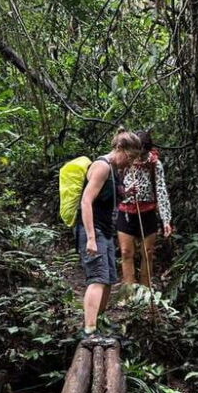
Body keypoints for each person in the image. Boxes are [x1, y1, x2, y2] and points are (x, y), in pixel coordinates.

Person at [77, 130, 142, 337]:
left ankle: (99, 322)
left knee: (108, 278)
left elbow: (107, 198)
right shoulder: (102, 167)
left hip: (105, 231)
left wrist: (127, 194)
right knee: (97, 278)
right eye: (129, 158)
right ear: (120, 149)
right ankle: (88, 329)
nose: (129, 163)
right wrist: (91, 238)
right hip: (92, 230)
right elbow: (86, 201)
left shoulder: (114, 170)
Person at [116, 130, 172, 290]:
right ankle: (129, 292)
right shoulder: (124, 161)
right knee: (126, 252)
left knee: (147, 253)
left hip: (147, 212)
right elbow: (114, 186)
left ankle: (145, 290)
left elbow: (161, 191)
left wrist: (166, 219)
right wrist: (124, 191)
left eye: (142, 152)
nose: (138, 156)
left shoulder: (154, 164)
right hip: (126, 211)